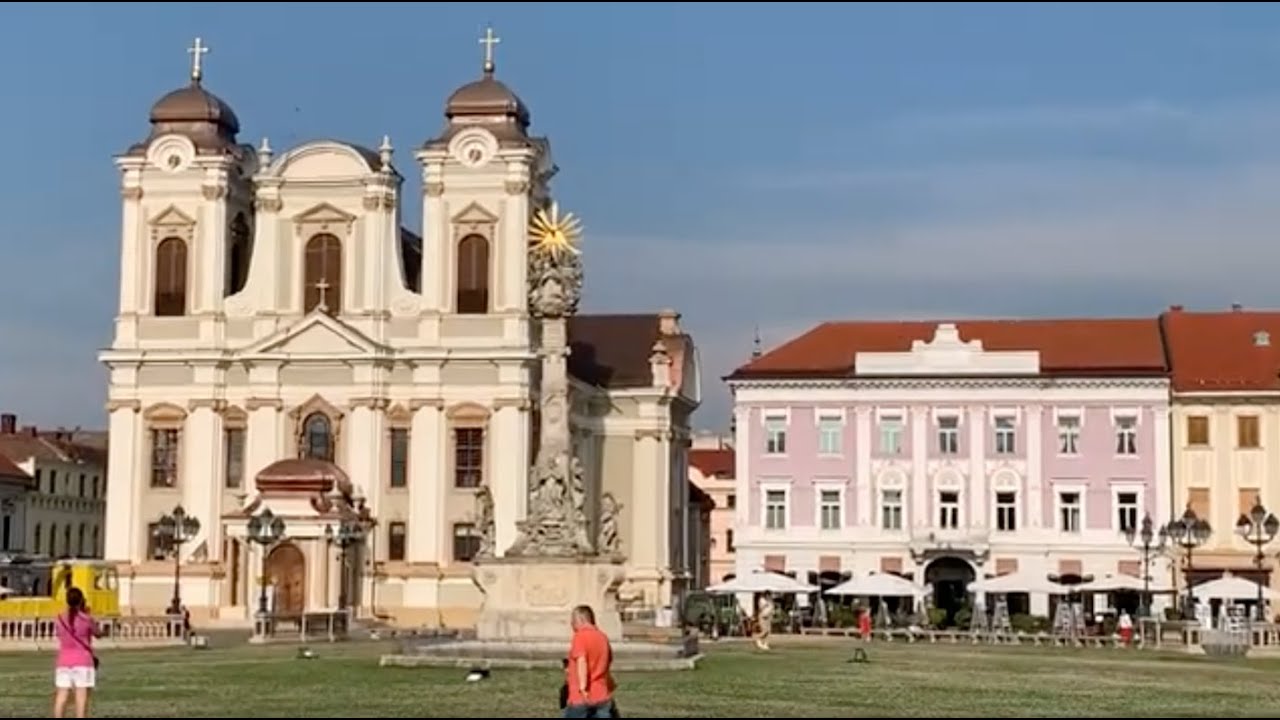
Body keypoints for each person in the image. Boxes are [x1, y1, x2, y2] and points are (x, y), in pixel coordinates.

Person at [53, 587, 98, 718]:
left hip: (63, 661)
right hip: (83, 660)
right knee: (81, 697)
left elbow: (59, 634)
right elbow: (98, 633)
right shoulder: (86, 619)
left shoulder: (60, 618)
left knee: (61, 696)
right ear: (81, 600)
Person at [563, 605, 614, 719]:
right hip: (602, 694)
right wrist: (610, 683)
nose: (571, 624)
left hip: (581, 697)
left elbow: (582, 661)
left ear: (580, 620)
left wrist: (583, 687)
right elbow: (607, 661)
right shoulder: (602, 637)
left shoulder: (580, 636)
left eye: (573, 621)